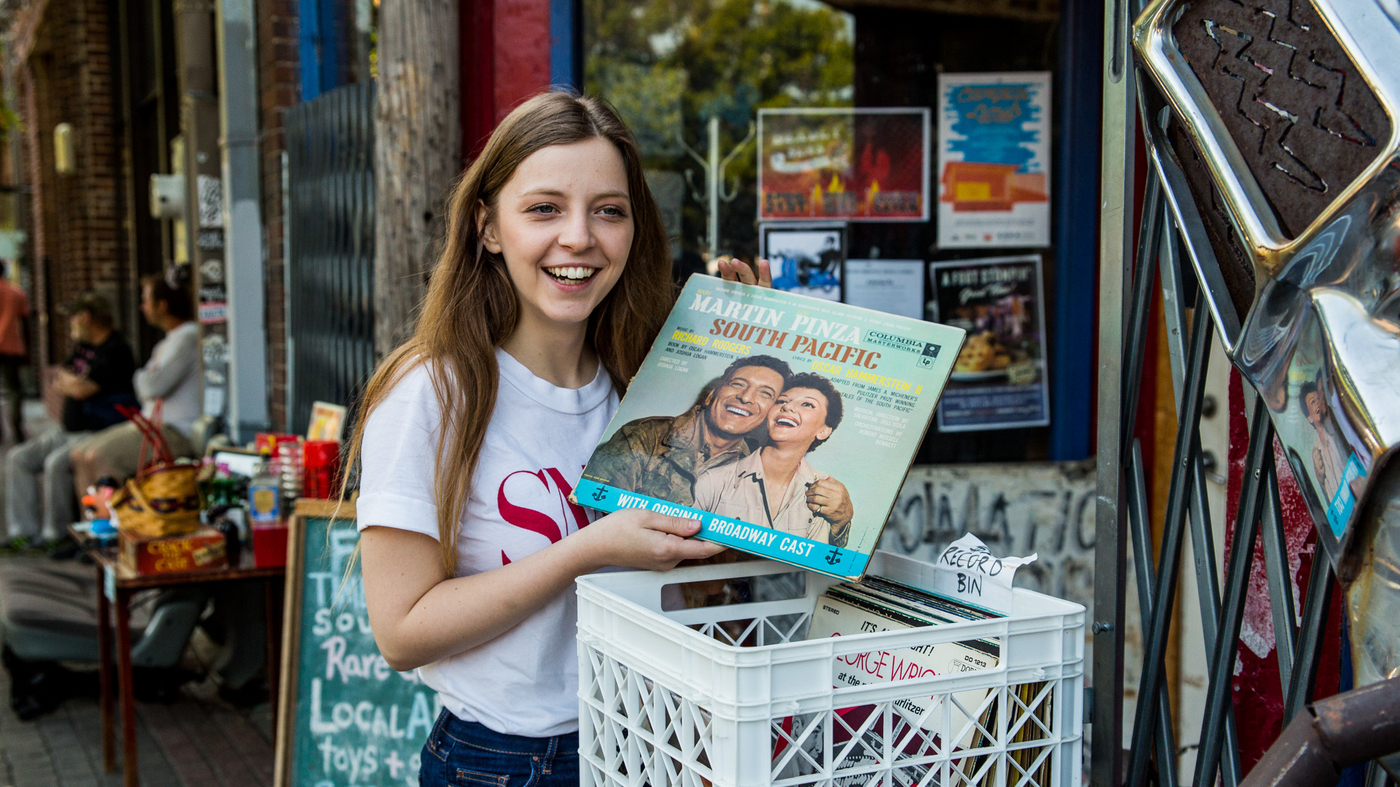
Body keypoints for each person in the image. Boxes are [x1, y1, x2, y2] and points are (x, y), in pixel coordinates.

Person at [350, 92, 770, 787]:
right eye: (544, 208)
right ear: (487, 227)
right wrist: (588, 549)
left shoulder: (646, 382)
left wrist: (739, 352)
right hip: (508, 763)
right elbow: (401, 630)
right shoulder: (433, 391)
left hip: (656, 737)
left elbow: (703, 577)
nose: (579, 236)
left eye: (609, 210)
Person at [585, 354, 853, 538]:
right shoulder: (645, 436)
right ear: (712, 394)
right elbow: (596, 514)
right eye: (738, 384)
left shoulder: (759, 465)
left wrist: (841, 523)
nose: (746, 397)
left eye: (766, 394)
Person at [5, 292, 136, 545]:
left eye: (73, 317)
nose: (70, 323)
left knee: (56, 464)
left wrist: (74, 384)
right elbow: (58, 379)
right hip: (65, 429)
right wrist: (73, 384)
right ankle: (22, 533)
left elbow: (81, 389)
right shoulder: (84, 347)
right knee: (18, 458)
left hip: (95, 431)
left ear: (86, 317)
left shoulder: (116, 349)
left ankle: (57, 536)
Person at [70, 270, 200, 494]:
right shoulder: (169, 342)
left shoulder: (188, 337)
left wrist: (143, 376)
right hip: (151, 425)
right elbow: (146, 383)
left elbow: (152, 386)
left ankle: (116, 524)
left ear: (163, 305)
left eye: (146, 301)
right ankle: (92, 523)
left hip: (175, 430)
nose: (142, 307)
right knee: (79, 453)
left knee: (99, 456)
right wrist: (145, 377)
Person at [693, 373, 848, 545]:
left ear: (824, 431)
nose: (787, 407)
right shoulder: (713, 480)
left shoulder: (824, 494)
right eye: (782, 401)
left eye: (807, 404)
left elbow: (814, 562)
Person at [0, 261, 30, 444]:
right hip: (10, 346)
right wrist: (26, 350)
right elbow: (25, 323)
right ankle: (16, 428)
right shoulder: (15, 293)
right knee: (14, 389)